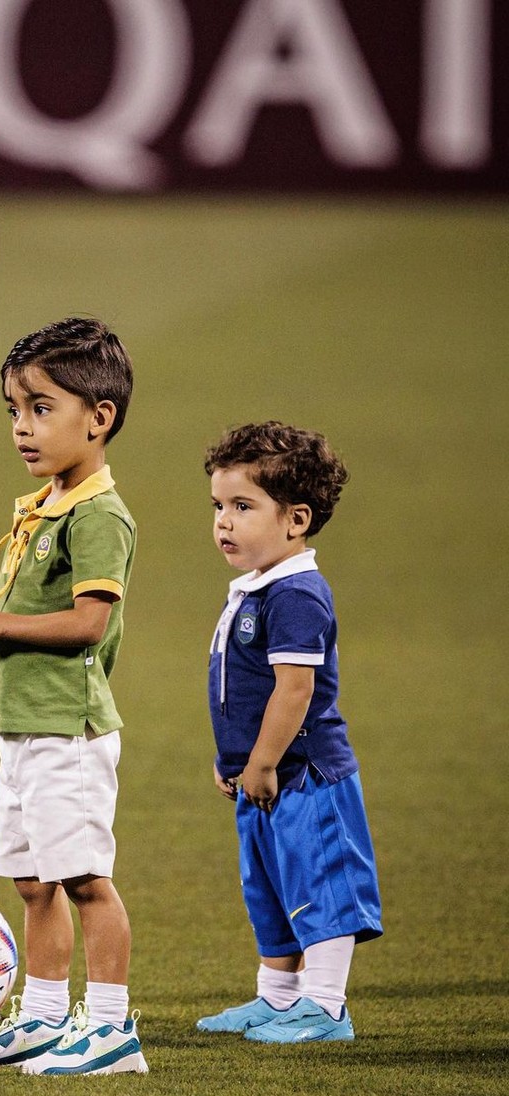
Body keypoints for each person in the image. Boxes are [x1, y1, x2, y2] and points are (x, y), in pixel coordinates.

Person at [0, 317, 147, 1076]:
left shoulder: (99, 513)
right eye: (13, 409)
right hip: (22, 727)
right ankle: (43, 1019)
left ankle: (111, 1032)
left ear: (98, 418)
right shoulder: (47, 501)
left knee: (83, 879)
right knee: (34, 880)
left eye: (41, 407)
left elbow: (86, 622)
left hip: (66, 732)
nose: (22, 426)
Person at [199, 421, 382, 1043]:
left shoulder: (298, 593)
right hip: (263, 774)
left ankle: (326, 1007)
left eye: (243, 507)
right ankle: (278, 999)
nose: (224, 521)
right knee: (271, 888)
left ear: (296, 519)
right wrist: (238, 761)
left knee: (318, 883)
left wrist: (262, 762)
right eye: (219, 506)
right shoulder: (257, 585)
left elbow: (295, 690)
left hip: (303, 774)